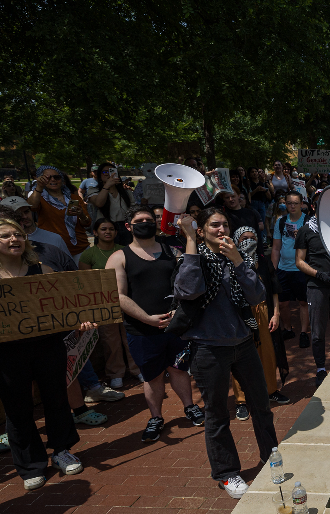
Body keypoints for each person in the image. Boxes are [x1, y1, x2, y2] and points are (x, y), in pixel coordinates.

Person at [175, 208, 275, 499]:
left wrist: (238, 261)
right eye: (214, 225)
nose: (221, 230)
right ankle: (227, 473)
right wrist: (190, 242)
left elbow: (257, 295)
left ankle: (272, 456)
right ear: (202, 230)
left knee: (261, 404)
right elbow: (189, 290)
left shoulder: (235, 258)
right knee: (217, 415)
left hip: (242, 344)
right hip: (208, 349)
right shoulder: (190, 260)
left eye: (225, 225)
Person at [0, 218, 95, 490]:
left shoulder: (42, 270)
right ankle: (30, 464)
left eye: (18, 234)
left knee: (56, 399)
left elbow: (65, 309)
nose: (14, 239)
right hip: (7, 354)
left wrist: (79, 321)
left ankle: (62, 450)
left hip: (47, 347)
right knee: (18, 409)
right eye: (5, 235)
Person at [106, 205, 205, 442]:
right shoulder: (118, 257)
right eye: (139, 220)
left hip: (175, 326)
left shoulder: (172, 251)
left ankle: (190, 406)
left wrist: (189, 233)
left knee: (179, 368)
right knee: (152, 375)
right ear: (129, 226)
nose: (145, 223)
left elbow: (191, 274)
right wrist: (147, 318)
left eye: (149, 219)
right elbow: (118, 296)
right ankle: (156, 417)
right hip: (141, 330)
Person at [230, 227, 290, 421]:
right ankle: (241, 400)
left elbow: (273, 287)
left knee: (268, 353)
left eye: (252, 237)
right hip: (241, 314)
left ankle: (271, 389)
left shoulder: (263, 261)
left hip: (264, 312)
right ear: (236, 241)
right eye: (244, 238)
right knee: (241, 356)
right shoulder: (231, 262)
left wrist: (276, 313)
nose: (248, 241)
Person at [295, 194, 330, 384]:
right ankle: (320, 368)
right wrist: (318, 274)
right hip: (316, 286)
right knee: (318, 332)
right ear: (314, 206)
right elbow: (299, 261)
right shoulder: (305, 231)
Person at [79, 219, 141, 388]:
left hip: (127, 300)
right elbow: (85, 282)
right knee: (110, 340)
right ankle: (116, 373)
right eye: (103, 229)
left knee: (130, 336)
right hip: (103, 304)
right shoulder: (88, 255)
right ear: (95, 232)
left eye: (111, 229)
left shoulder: (124, 251)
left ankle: (137, 369)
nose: (108, 232)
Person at [25, 166, 90, 261]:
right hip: (54, 248)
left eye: (57, 177)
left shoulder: (74, 198)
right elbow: (32, 206)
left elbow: (87, 223)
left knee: (85, 276)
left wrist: (81, 215)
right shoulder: (40, 198)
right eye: (47, 177)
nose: (53, 179)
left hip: (80, 247)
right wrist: (39, 186)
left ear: (62, 180)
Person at [271, 191, 310, 345]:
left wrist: (302, 235)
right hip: (283, 269)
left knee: (303, 302)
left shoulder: (308, 222)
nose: (292, 206)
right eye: (289, 203)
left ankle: (303, 332)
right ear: (285, 204)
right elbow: (275, 248)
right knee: (283, 303)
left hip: (302, 269)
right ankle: (287, 329)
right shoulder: (280, 222)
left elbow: (314, 246)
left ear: (301, 204)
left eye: (295, 203)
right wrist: (273, 271)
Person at [86, 163, 135, 245]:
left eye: (112, 171)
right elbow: (99, 203)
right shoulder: (93, 190)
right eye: (105, 172)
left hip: (125, 228)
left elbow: (133, 211)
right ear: (99, 175)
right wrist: (107, 185)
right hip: (105, 229)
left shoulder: (126, 193)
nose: (109, 174)